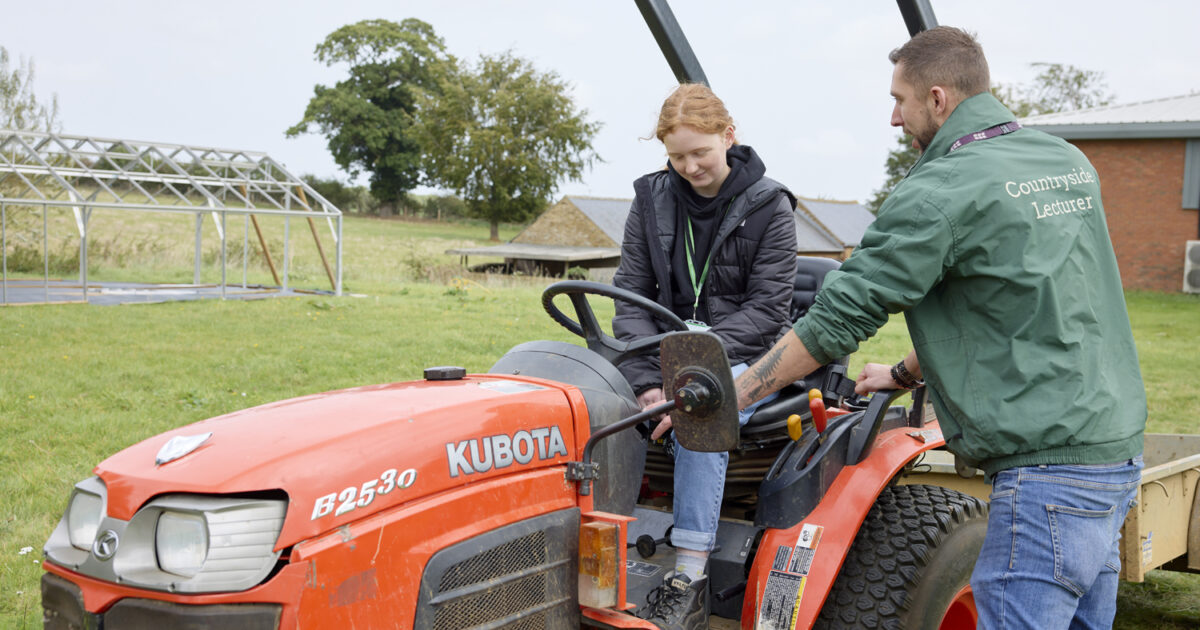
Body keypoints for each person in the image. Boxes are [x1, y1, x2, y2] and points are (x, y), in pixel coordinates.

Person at [734, 27, 1145, 629]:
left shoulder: (940, 189)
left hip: (1045, 471)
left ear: (937, 98)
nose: (893, 118)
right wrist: (900, 373)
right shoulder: (1063, 162)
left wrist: (733, 396)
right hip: (1112, 450)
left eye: (898, 100)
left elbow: (836, 320)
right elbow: (1016, 300)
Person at [612, 83, 798, 630]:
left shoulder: (771, 207)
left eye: (701, 152)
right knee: (589, 395)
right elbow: (630, 298)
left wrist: (690, 372)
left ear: (729, 136)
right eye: (677, 156)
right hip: (661, 353)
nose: (690, 166)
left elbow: (767, 314)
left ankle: (689, 573)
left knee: (700, 407)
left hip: (747, 353)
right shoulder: (649, 200)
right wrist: (649, 381)